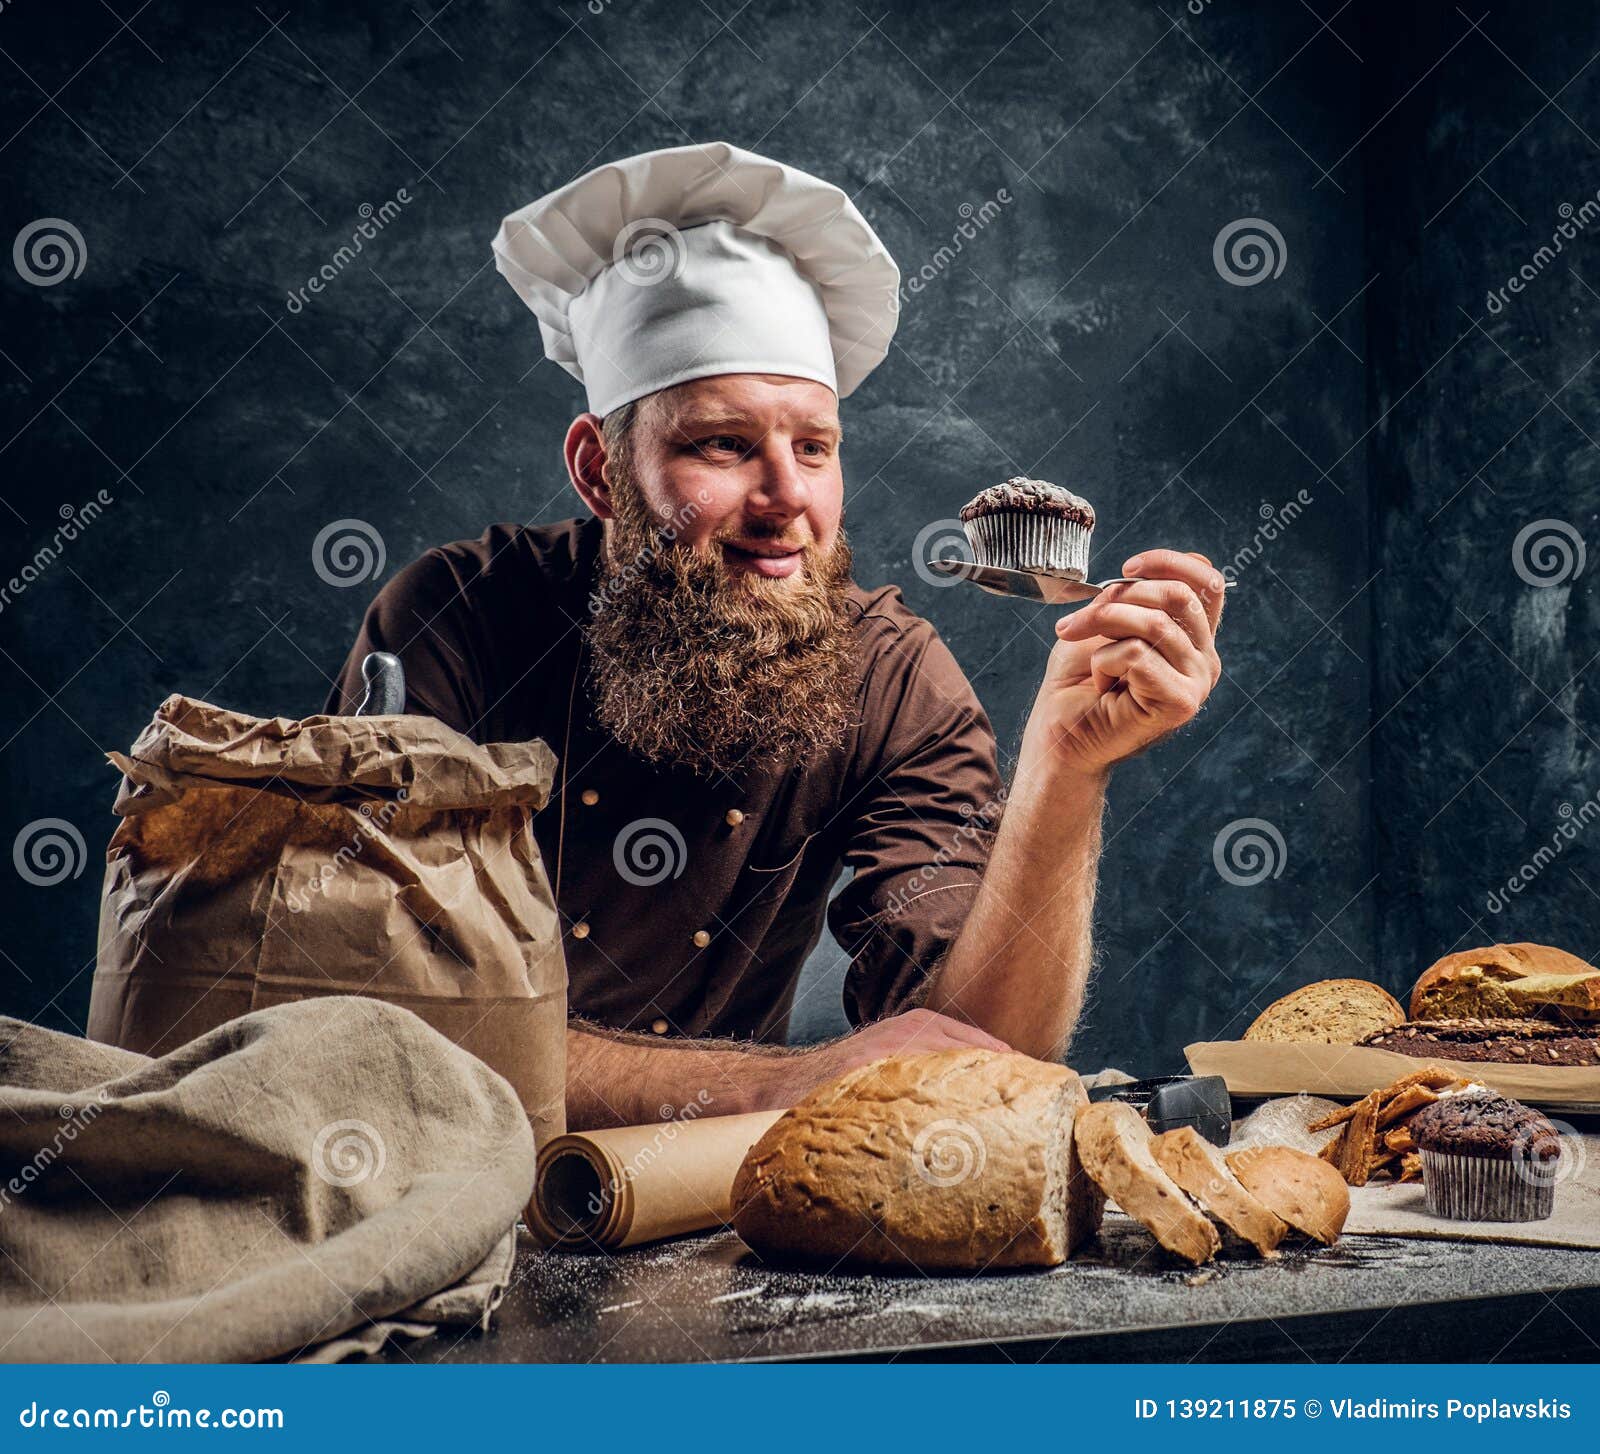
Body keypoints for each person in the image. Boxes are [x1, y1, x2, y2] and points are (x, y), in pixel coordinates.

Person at [329, 142, 1223, 1130]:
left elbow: (974, 1053)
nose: (788, 499)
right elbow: (379, 1016)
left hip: (703, 1216)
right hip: (427, 1180)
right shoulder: (456, 619)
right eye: (722, 443)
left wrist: (1065, 769)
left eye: (814, 445)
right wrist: (779, 1082)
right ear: (598, 470)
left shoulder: (890, 678)